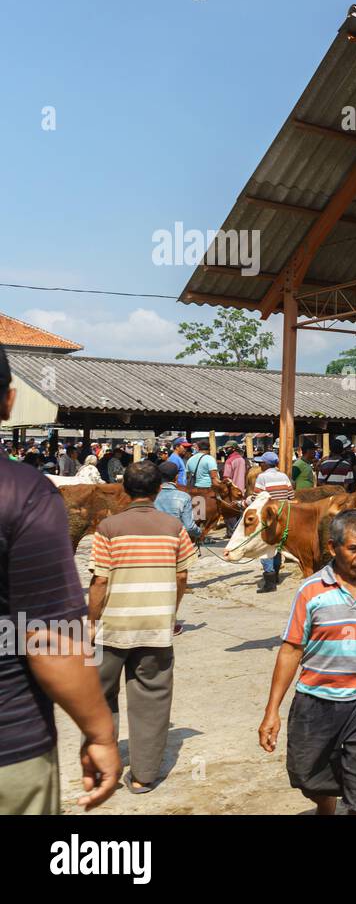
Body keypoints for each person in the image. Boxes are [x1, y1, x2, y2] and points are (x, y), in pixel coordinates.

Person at [0, 346, 121, 813]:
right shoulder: (24, 493)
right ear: (9, 403)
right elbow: (49, 638)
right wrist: (100, 732)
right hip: (10, 747)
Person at [259, 509, 356, 815]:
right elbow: (291, 650)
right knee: (307, 776)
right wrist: (272, 711)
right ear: (332, 548)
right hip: (316, 701)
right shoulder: (310, 591)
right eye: (354, 549)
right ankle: (326, 805)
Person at [87, 460, 196, 793]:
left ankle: (99, 771)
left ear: (124, 489)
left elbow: (99, 581)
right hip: (155, 628)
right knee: (151, 697)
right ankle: (142, 776)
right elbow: (182, 576)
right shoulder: (173, 528)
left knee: (99, 699)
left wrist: (90, 622)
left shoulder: (108, 528)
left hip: (112, 629)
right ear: (157, 489)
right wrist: (170, 611)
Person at [253, 453, 295, 593]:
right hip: (283, 515)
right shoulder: (283, 476)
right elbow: (291, 496)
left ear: (266, 464)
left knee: (265, 547)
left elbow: (256, 497)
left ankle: (270, 582)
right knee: (277, 545)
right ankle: (276, 574)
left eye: (261, 463)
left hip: (268, 516)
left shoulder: (262, 477)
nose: (260, 465)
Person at [155, 460, 202, 542]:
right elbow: (189, 527)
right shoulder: (184, 497)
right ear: (176, 477)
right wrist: (199, 532)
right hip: (175, 542)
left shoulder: (150, 496)